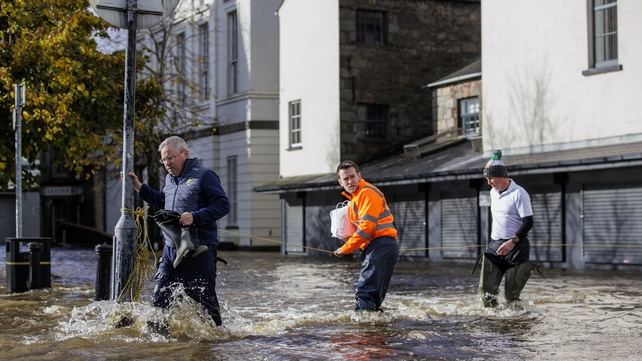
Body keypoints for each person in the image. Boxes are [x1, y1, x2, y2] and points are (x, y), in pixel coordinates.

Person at [123, 136, 230, 326]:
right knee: (159, 303)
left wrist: (195, 216)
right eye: (164, 160)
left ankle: (216, 342)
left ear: (185, 154)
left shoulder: (204, 175)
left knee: (206, 308)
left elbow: (223, 205)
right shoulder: (170, 180)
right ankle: (159, 345)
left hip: (199, 251)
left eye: (171, 158)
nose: (167, 164)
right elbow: (161, 200)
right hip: (171, 251)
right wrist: (137, 186)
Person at [333, 160, 399, 312]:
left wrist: (345, 249)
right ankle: (375, 331)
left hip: (381, 246)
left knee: (365, 293)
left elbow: (366, 228)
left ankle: (364, 332)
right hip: (379, 246)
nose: (350, 181)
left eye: (352, 176)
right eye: (346, 179)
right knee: (373, 297)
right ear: (340, 182)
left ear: (359, 175)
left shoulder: (367, 193)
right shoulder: (356, 197)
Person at [479, 149, 536, 307]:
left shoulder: (519, 193)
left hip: (516, 248)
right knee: (486, 294)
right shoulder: (493, 192)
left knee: (511, 297)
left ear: (501, 175)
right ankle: (492, 324)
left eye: (490, 178)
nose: (488, 182)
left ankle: (515, 323)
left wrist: (512, 241)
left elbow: (528, 221)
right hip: (495, 247)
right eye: (487, 179)